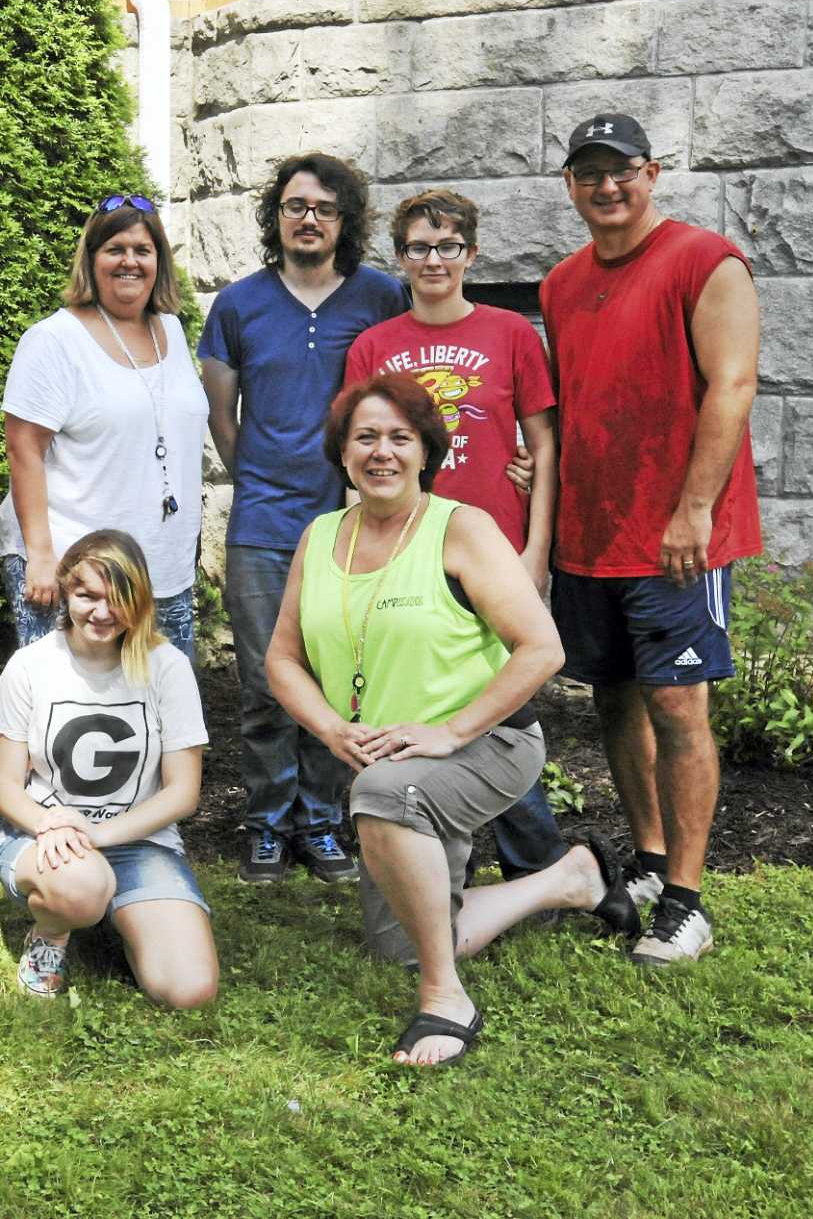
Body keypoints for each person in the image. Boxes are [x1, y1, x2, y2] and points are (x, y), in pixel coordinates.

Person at [266, 375, 640, 1066]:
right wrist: (330, 729)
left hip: (490, 743)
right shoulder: (321, 538)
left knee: (380, 795)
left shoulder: (459, 528)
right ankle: (573, 879)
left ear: (425, 450)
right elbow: (282, 659)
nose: (382, 452)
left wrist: (450, 732)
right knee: (398, 944)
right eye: (366, 438)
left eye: (399, 438)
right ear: (342, 453)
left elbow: (543, 649)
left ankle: (446, 1000)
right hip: (396, 763)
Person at [542, 114, 762, 967]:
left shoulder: (705, 261)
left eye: (621, 170)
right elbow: (576, 403)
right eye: (589, 173)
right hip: (590, 533)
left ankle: (687, 901)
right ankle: (649, 860)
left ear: (653, 173)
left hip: (675, 536)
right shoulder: (562, 283)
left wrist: (694, 508)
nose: (607, 187)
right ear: (570, 185)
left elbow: (733, 384)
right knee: (613, 697)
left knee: (679, 705)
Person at [344, 188, 568, 889]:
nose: (433, 260)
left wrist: (535, 549)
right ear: (400, 258)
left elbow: (544, 444)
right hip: (409, 556)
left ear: (471, 253)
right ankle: (439, 860)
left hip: (496, 551)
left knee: (504, 705)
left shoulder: (509, 334)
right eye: (418, 247)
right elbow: (358, 455)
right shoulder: (376, 346)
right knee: (421, 703)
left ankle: (541, 860)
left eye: (446, 247)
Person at [196, 154, 406, 885]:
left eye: (322, 206)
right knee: (263, 682)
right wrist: (259, 474)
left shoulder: (381, 297)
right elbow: (222, 415)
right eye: (294, 205)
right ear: (275, 216)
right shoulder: (238, 305)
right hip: (263, 525)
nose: (307, 218)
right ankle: (265, 822)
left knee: (337, 677)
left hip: (354, 524)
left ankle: (322, 822)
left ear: (344, 219)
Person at [0, 530, 217, 1008]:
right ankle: (52, 933)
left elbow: (182, 792)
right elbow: (4, 785)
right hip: (43, 836)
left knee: (189, 991)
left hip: (136, 842)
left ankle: (114, 914)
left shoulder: (166, 667)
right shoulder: (31, 666)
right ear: (66, 590)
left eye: (118, 598)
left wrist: (96, 833)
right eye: (86, 595)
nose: (102, 612)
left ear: (139, 599)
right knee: (81, 884)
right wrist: (50, 824)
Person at [0, 196, 206, 659]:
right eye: (114, 248)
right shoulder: (54, 340)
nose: (129, 260)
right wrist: (42, 557)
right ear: (91, 261)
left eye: (142, 249)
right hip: (77, 574)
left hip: (163, 569)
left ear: (159, 262)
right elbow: (23, 450)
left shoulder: (170, 330)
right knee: (74, 720)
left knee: (164, 718)